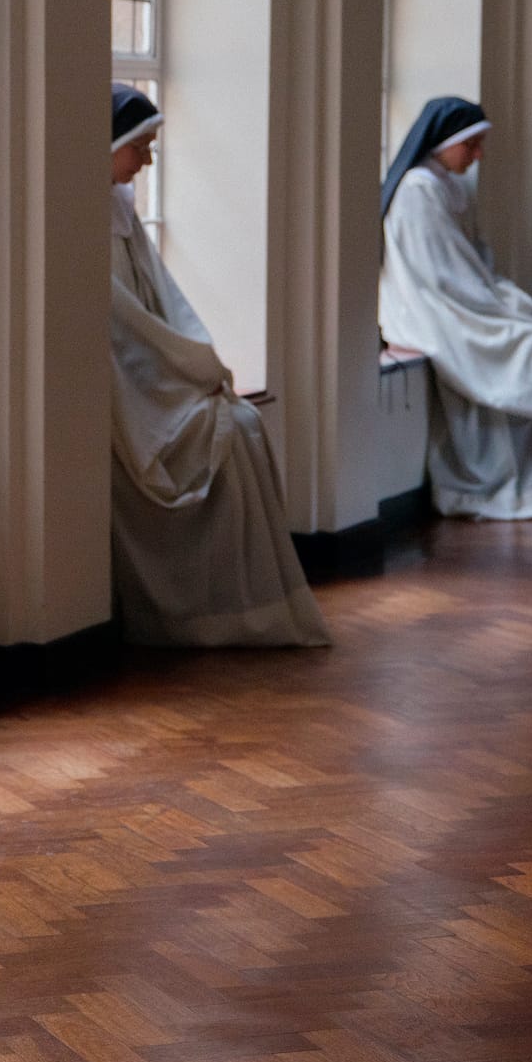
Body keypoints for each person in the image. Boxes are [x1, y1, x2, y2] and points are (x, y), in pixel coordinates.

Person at [107, 86, 330, 648]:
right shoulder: (84, 219)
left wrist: (200, 363)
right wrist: (189, 371)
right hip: (127, 392)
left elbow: (166, 303)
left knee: (245, 426)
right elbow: (124, 326)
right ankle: (199, 609)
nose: (147, 160)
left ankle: (240, 600)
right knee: (230, 434)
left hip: (153, 377)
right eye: (140, 146)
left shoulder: (120, 209)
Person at [379, 96, 532, 520]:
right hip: (437, 314)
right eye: (471, 145)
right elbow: (442, 276)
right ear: (444, 142)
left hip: (463, 304)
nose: (478, 155)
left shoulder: (447, 185)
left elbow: (473, 261)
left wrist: (501, 298)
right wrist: (499, 304)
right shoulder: (419, 190)